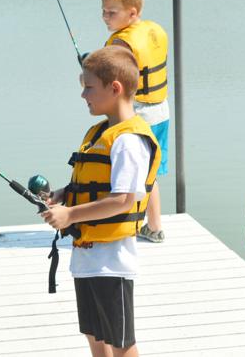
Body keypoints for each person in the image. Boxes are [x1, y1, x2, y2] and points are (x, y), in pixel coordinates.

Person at [42, 45, 161, 357]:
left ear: (115, 88)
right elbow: (97, 183)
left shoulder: (129, 140)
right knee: (95, 338)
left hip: (112, 263)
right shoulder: (100, 132)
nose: (84, 96)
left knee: (121, 344)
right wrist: (63, 196)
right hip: (87, 259)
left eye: (89, 87)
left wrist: (70, 215)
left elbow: (123, 199)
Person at [101, 0, 169, 243]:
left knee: (130, 172)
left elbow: (111, 82)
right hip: (161, 110)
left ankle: (124, 225)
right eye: (104, 11)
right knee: (151, 172)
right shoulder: (153, 30)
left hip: (138, 114)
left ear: (132, 13)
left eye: (111, 12)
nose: (105, 17)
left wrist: (85, 76)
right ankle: (154, 226)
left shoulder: (122, 42)